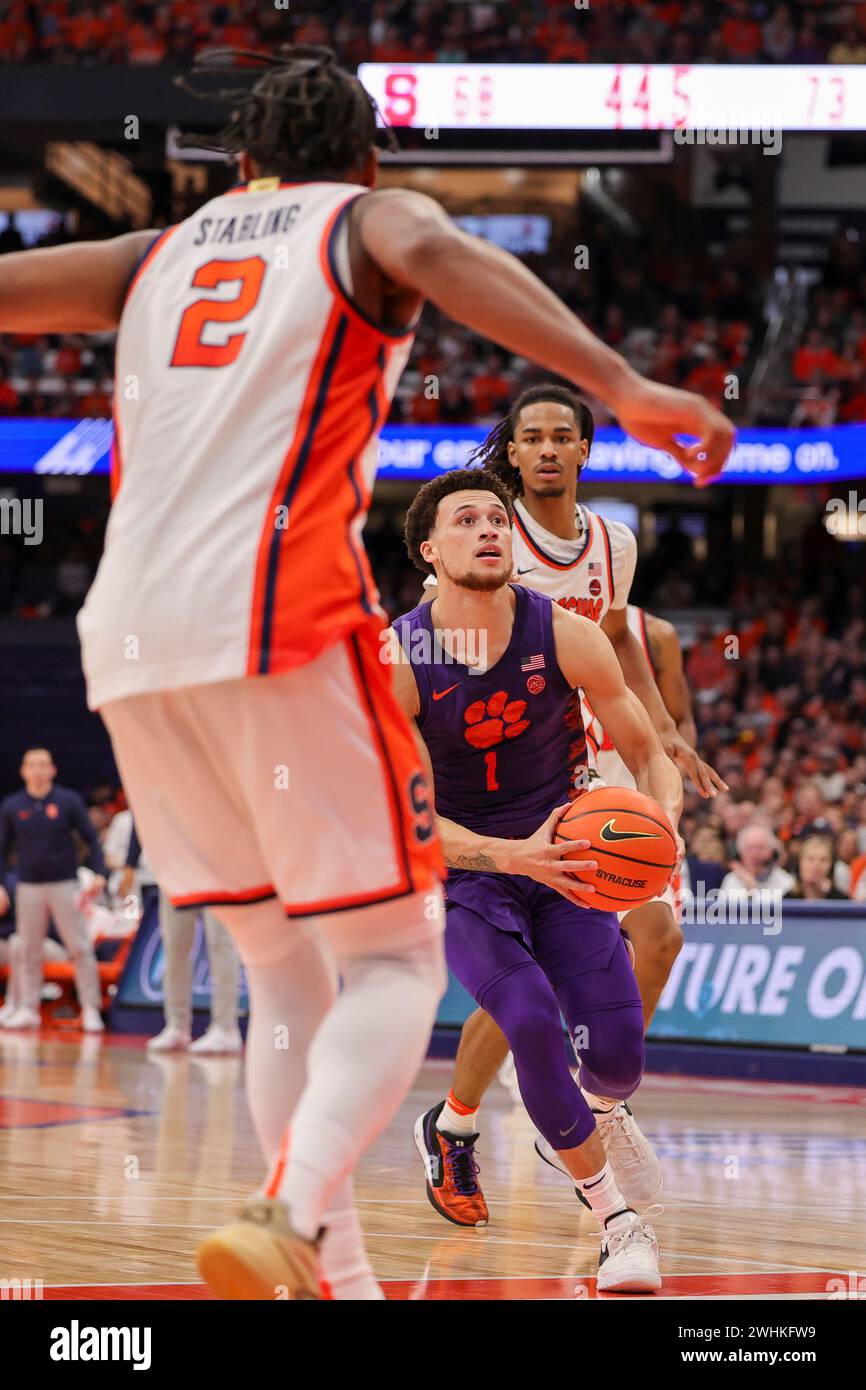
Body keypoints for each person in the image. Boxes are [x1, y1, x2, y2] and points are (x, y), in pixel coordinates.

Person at [0, 46, 733, 1300]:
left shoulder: (153, 252)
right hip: (280, 616)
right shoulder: (365, 216)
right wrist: (620, 383)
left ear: (236, 166)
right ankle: (289, 1201)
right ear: (369, 159)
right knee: (391, 964)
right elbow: (437, 253)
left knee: (287, 968)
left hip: (125, 639)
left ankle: (329, 1273)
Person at [415, 388, 725, 1225]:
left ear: (587, 449)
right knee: (531, 977)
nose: (548, 450)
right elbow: (436, 634)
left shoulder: (612, 541)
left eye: (564, 437)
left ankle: (601, 1103)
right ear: (510, 452)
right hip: (509, 768)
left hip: (597, 765)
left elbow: (622, 637)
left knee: (658, 932)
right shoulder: (481, 531)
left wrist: (661, 735)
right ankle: (461, 1121)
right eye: (532, 438)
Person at [395, 469, 683, 1290]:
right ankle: (617, 1224)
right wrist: (509, 853)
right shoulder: (400, 657)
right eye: (467, 520)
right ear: (431, 549)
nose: (489, 529)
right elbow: (414, 822)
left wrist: (659, 820)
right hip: (467, 876)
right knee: (524, 1014)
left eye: (497, 517)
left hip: (569, 864)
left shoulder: (564, 632)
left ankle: (593, 1115)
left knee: (618, 1061)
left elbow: (644, 747)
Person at [0, 747, 106, 1032]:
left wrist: (99, 872)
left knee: (79, 946)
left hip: (64, 883)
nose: (37, 770)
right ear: (23, 770)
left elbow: (91, 839)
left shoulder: (67, 801)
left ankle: (91, 1008)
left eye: (43, 765)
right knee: (28, 949)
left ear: (52, 769)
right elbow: (1, 848)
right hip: (28, 886)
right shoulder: (13, 805)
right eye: (32, 765)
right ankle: (28, 1009)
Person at [118, 820, 244, 1054]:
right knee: (174, 945)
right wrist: (131, 861)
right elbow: (143, 809)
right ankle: (176, 1026)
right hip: (176, 865)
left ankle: (226, 1028)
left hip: (218, 863)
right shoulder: (164, 783)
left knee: (221, 944)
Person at [720, 822, 795, 903]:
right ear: (740, 853)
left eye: (760, 848)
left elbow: (771, 912)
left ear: (771, 852)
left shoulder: (786, 880)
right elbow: (723, 912)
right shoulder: (731, 879)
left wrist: (752, 885)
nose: (755, 854)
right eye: (749, 848)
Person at [784, 836, 849, 901]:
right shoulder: (786, 899)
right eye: (810, 859)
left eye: (823, 860)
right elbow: (777, 911)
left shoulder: (842, 901)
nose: (816, 866)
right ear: (799, 864)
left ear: (831, 867)